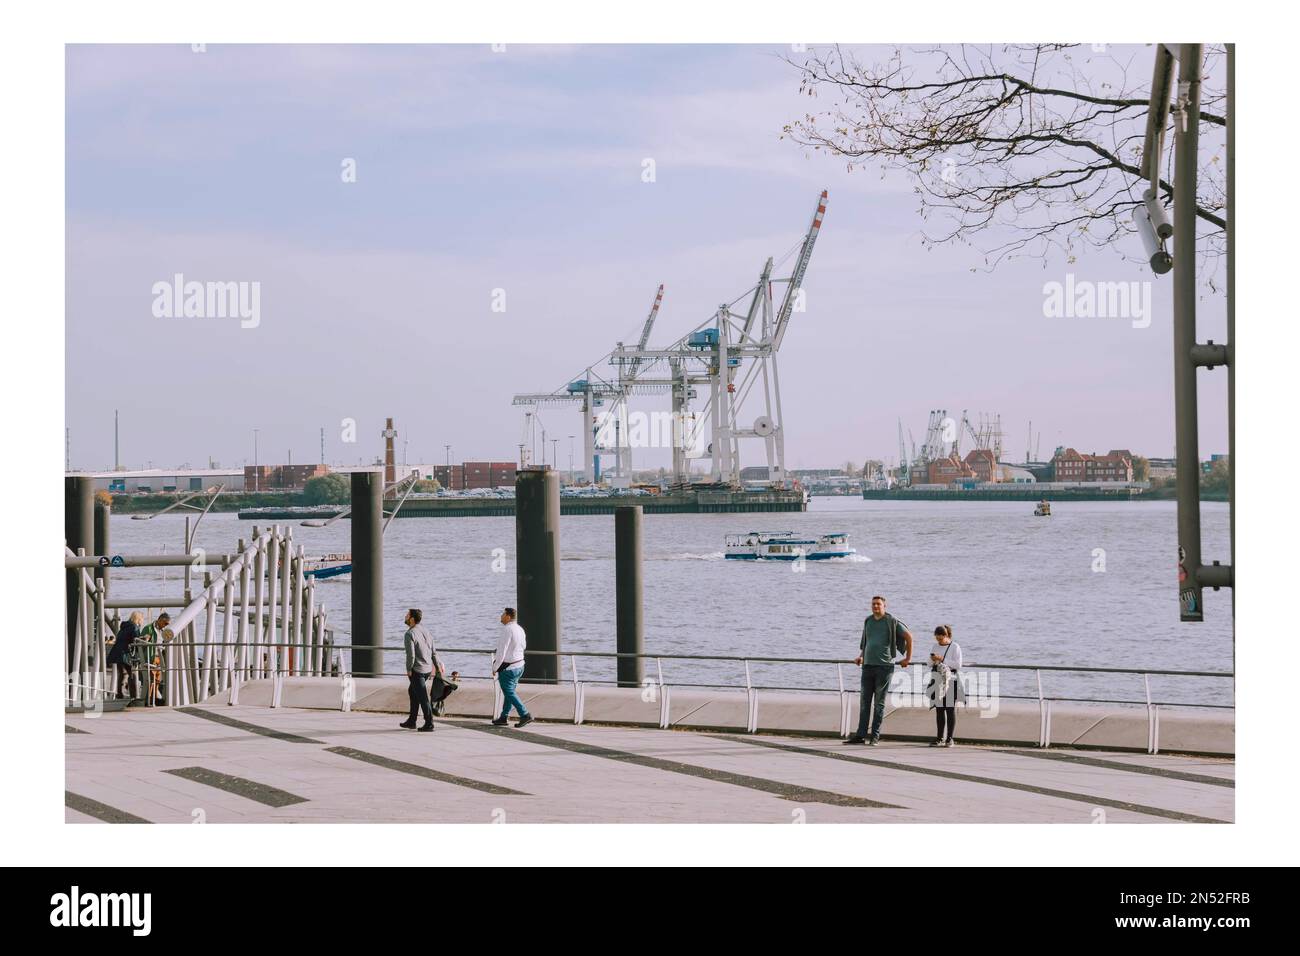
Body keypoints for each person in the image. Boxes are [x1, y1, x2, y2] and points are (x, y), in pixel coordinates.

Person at [844, 595, 912, 746]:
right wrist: (861, 657)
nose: (875, 606)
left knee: (879, 704)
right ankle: (860, 735)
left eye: (878, 604)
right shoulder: (868, 621)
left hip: (884, 667)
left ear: (884, 606)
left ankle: (875, 736)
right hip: (867, 666)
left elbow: (909, 637)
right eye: (873, 604)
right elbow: (866, 642)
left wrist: (907, 658)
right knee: (864, 702)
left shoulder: (891, 621)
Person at [398, 608, 440, 732]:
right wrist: (437, 668)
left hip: (417, 670)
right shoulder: (426, 630)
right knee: (412, 691)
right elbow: (434, 652)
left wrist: (409, 669)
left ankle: (429, 723)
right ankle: (412, 721)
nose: (405, 616)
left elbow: (410, 655)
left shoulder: (409, 634)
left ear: (411, 619)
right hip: (427, 669)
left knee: (422, 697)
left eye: (407, 615)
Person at [491, 607, 533, 728]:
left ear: (508, 616)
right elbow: (523, 646)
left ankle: (525, 714)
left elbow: (501, 651)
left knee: (509, 692)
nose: (501, 616)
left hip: (508, 668)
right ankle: (504, 716)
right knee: (510, 692)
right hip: (520, 665)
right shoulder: (520, 629)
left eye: (503, 614)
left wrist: (495, 667)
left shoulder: (507, 630)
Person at [927, 624, 965, 747]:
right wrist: (933, 659)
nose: (938, 641)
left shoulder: (955, 647)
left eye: (940, 638)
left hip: (951, 680)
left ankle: (950, 738)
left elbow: (958, 665)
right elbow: (928, 663)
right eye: (937, 638)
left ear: (946, 635)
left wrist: (942, 659)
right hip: (937, 680)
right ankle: (939, 737)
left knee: (949, 709)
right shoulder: (935, 646)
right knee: (939, 710)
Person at [106, 612, 141, 700]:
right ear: (138, 619)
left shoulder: (124, 626)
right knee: (131, 673)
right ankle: (133, 694)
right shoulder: (134, 627)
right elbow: (136, 640)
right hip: (125, 653)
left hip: (117, 652)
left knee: (121, 673)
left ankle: (119, 693)